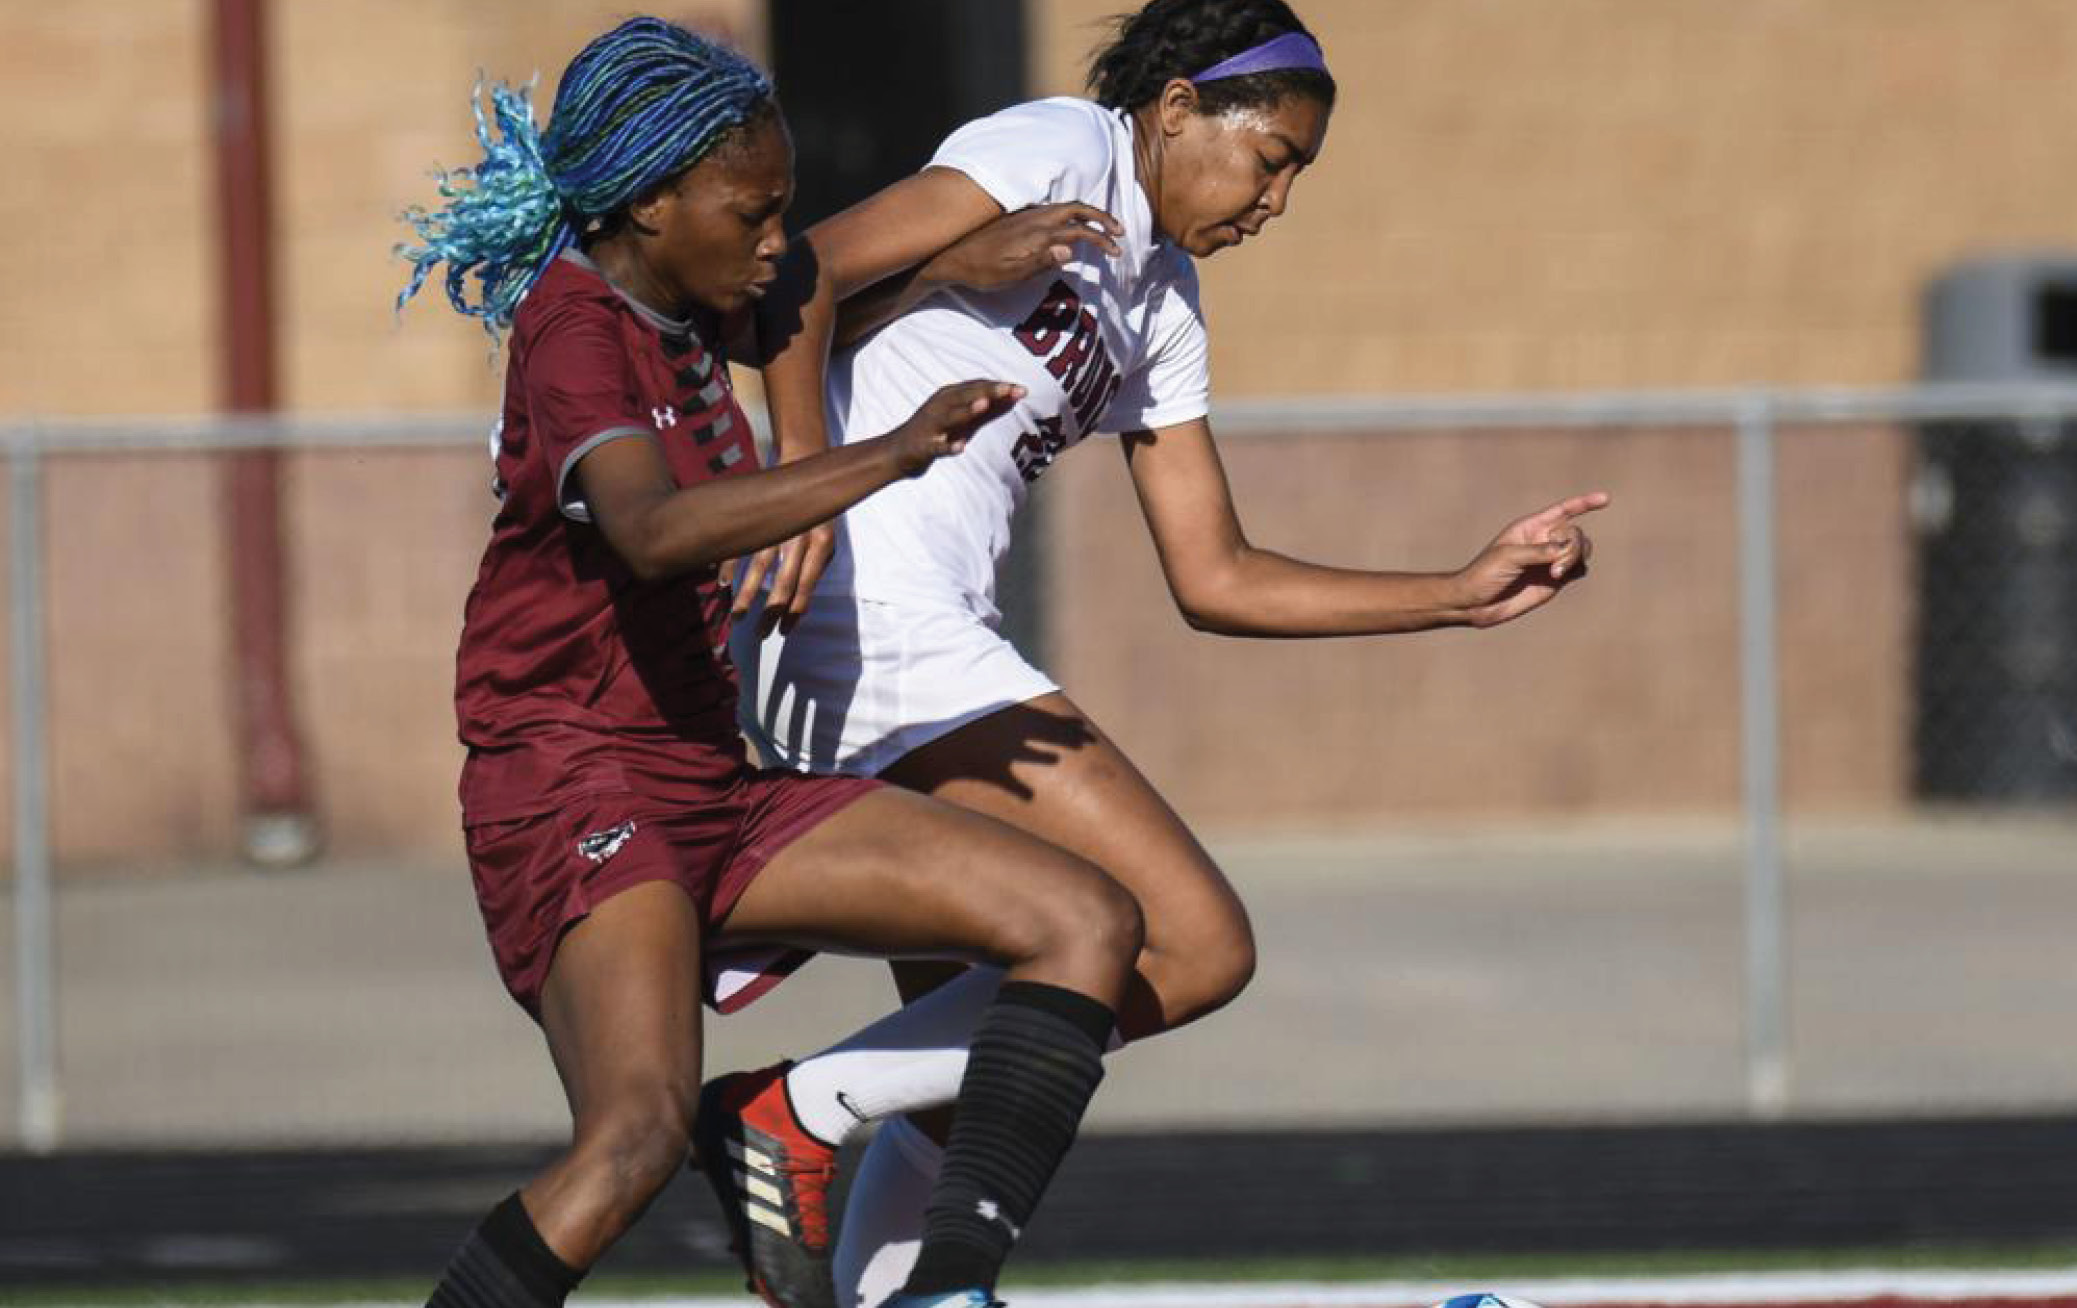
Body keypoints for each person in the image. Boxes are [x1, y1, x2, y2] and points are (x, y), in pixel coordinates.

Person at [729, 1, 1606, 1303]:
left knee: (972, 1069)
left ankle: (880, 1264)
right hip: (872, 619)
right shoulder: (1060, 147)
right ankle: (795, 1109)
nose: (1279, 200)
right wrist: (802, 478)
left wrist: (1460, 594)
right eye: (1273, 159)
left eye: (1300, 174)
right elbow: (787, 282)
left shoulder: (1165, 300)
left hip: (911, 638)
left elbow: (1218, 575)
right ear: (1180, 106)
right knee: (1191, 944)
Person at [396, 17, 1148, 1308]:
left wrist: (957, 266)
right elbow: (648, 530)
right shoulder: (575, 326)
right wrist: (880, 456)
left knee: (1086, 921)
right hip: (573, 787)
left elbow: (805, 290)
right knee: (634, 1135)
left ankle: (945, 1286)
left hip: (708, 783)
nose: (772, 240)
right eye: (751, 213)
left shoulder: (689, 304)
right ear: (649, 200)